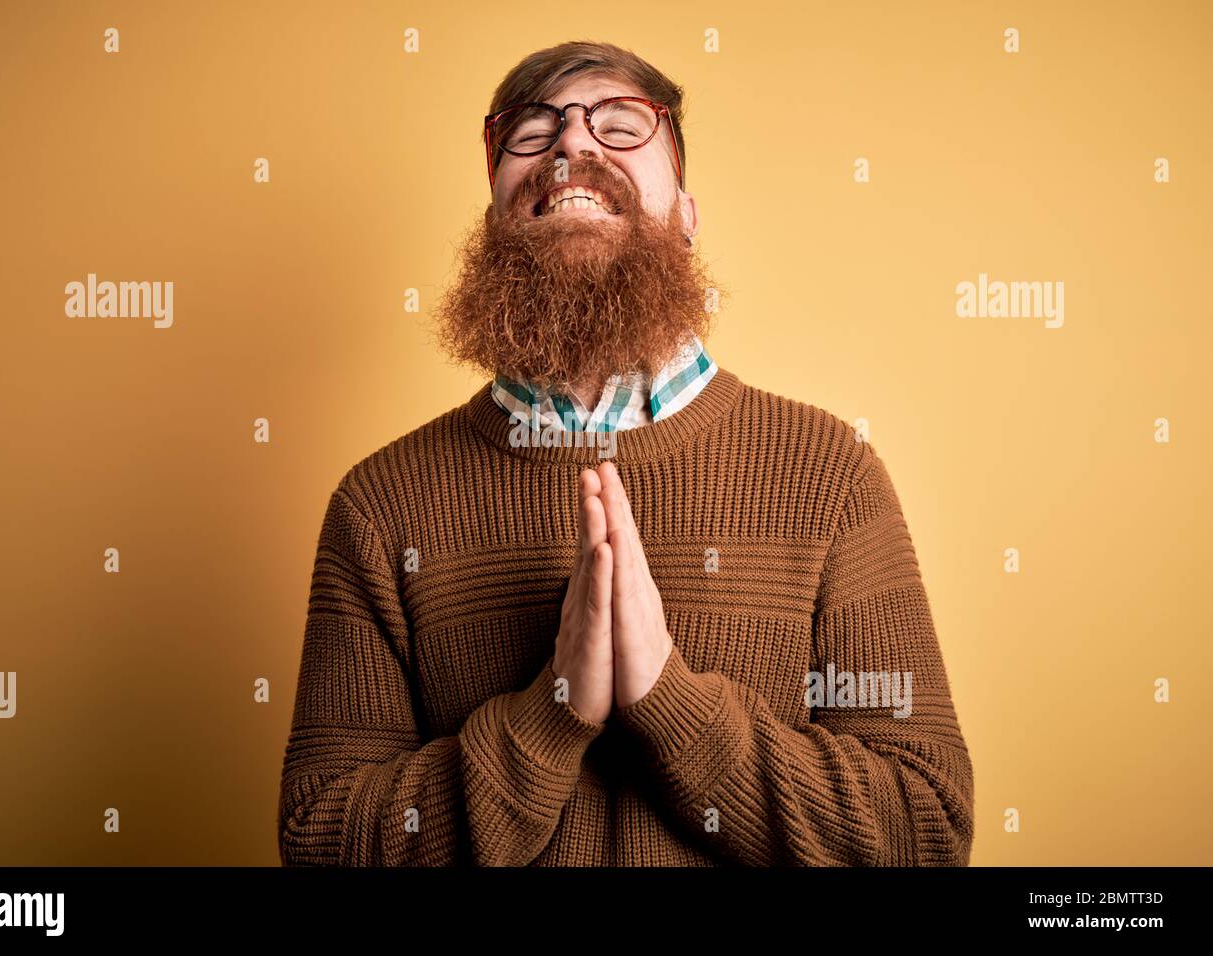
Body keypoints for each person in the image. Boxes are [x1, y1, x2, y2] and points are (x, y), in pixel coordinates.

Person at [277, 40, 974, 866]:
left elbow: (926, 829)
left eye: (620, 124)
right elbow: (321, 843)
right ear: (496, 213)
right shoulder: (380, 504)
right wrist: (549, 715)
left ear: (686, 211)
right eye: (531, 133)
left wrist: (669, 701)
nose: (573, 144)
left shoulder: (830, 473)